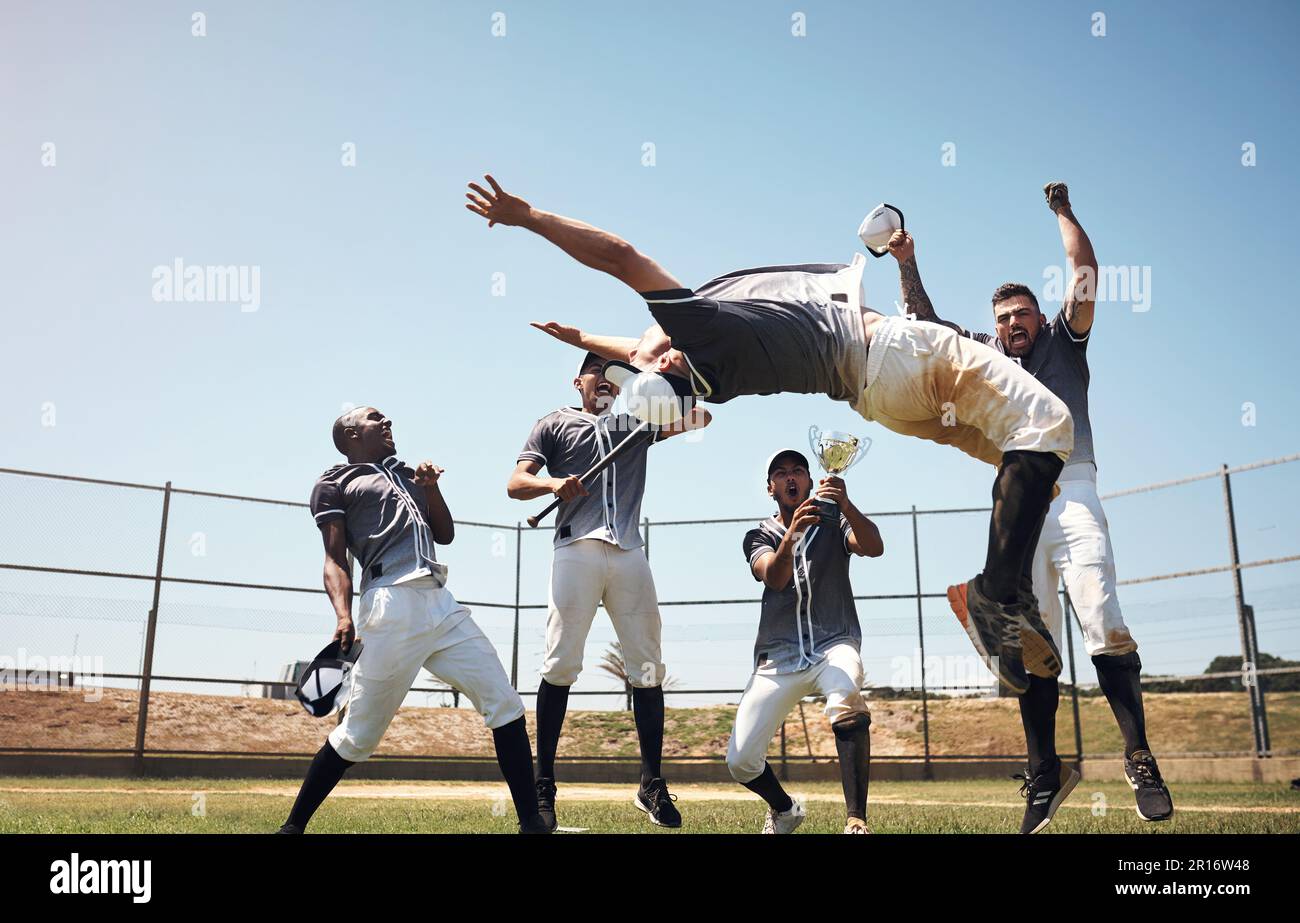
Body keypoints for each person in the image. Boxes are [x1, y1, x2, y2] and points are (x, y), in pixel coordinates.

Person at [466, 173, 1071, 699]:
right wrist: (529, 218)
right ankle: (994, 593)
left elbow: (634, 352)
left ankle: (1009, 591)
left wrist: (579, 339)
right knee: (1051, 424)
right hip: (893, 355)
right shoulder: (695, 331)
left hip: (880, 400)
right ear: (669, 360)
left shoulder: (704, 376)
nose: (638, 341)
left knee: (1033, 469)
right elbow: (620, 257)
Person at [885, 182, 1172, 828]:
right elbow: (927, 329)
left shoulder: (1063, 347)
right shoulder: (987, 359)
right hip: (1017, 507)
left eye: (1023, 314)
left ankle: (1138, 756)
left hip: (1072, 491)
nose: (1014, 324)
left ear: (1040, 320)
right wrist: (906, 260)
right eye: (1005, 317)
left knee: (1101, 613)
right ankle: (1044, 770)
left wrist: (1064, 212)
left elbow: (1087, 276)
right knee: (1026, 640)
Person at [279, 406, 549, 834]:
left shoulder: (407, 473)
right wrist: (344, 615)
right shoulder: (334, 482)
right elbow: (334, 558)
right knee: (358, 738)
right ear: (350, 435)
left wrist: (431, 488)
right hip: (390, 606)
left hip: (441, 602)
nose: (387, 423)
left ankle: (532, 822)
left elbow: (445, 534)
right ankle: (292, 828)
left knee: (505, 703)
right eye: (374, 418)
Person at [507, 352, 710, 829]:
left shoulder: (638, 420)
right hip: (575, 547)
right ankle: (544, 787)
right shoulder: (553, 423)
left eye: (614, 371)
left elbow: (701, 415)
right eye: (597, 369)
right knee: (559, 666)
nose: (605, 376)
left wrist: (663, 387)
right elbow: (516, 484)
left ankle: (651, 784)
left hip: (628, 549)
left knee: (647, 667)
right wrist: (554, 484)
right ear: (578, 379)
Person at [728, 449, 883, 834]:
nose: (790, 477)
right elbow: (774, 577)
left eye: (798, 470)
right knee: (741, 759)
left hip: (833, 643)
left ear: (811, 481)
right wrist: (794, 531)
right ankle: (784, 809)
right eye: (781, 473)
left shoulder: (833, 521)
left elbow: (874, 546)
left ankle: (856, 821)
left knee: (846, 694)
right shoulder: (759, 534)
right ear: (771, 488)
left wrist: (846, 503)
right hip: (778, 657)